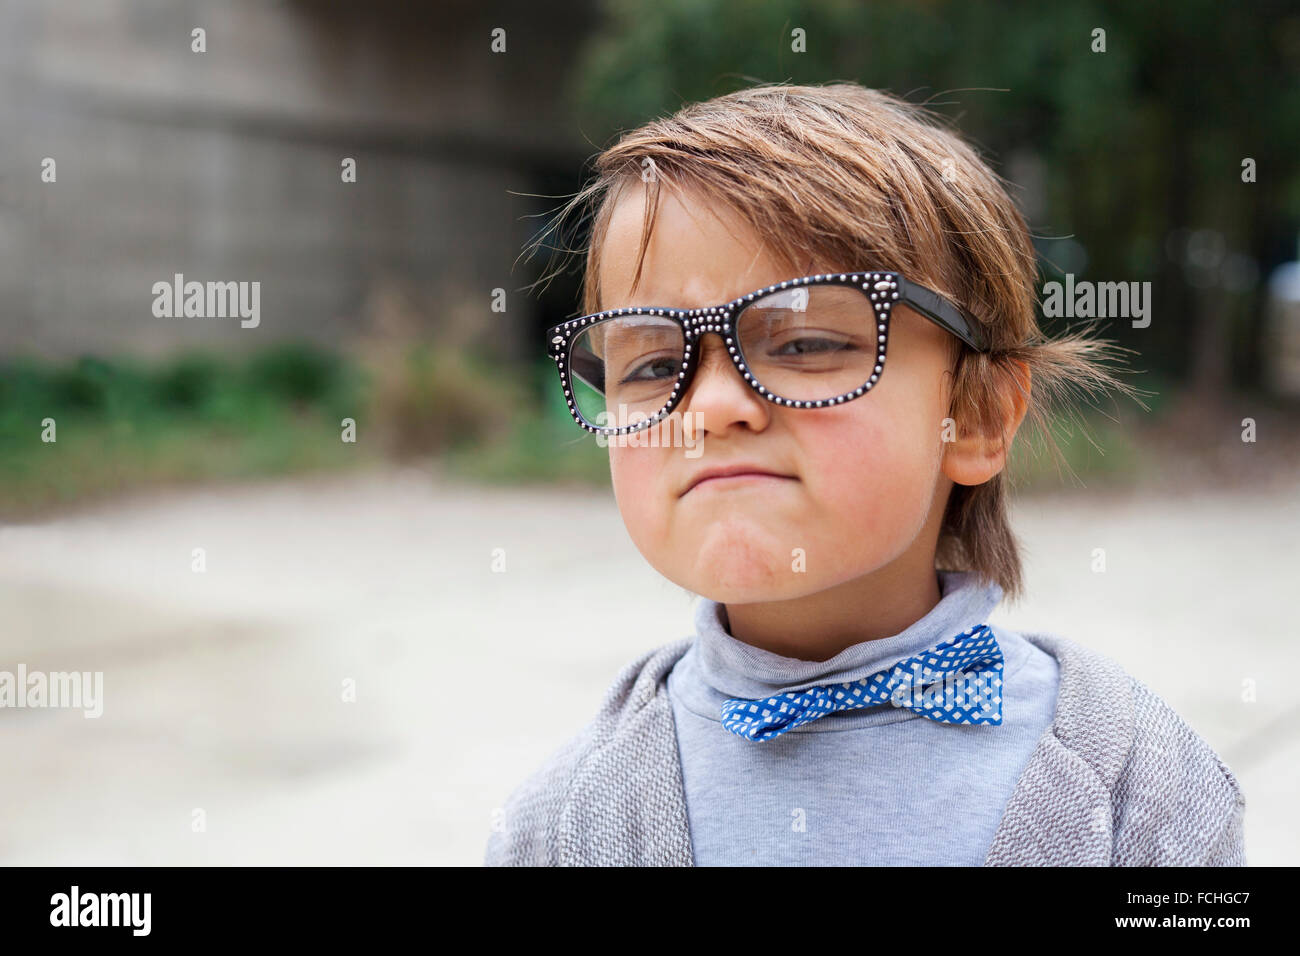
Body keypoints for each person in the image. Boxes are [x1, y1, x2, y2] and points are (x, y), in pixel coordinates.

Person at [485, 83, 1246, 866]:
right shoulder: (565, 824)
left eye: (806, 343)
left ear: (978, 416)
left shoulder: (1138, 790)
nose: (710, 405)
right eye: (650, 362)